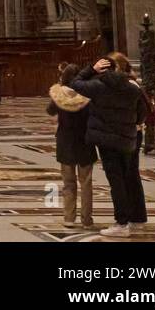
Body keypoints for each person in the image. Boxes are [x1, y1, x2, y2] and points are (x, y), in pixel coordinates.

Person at [70, 53, 148, 237]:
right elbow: (142, 111)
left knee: (116, 181)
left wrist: (92, 69)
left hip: (107, 140)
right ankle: (134, 219)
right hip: (128, 138)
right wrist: (133, 124)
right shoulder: (133, 87)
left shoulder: (99, 86)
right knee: (129, 176)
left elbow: (75, 83)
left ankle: (122, 223)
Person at [47, 63, 97, 228]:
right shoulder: (88, 97)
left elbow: (50, 111)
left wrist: (59, 91)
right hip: (84, 141)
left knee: (68, 183)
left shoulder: (59, 96)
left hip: (66, 141)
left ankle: (69, 218)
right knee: (86, 183)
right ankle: (87, 220)